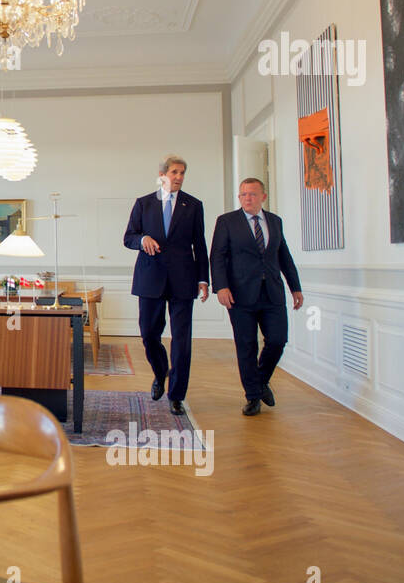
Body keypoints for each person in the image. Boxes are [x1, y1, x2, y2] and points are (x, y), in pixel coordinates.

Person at [123, 155, 209, 416]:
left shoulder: (193, 205)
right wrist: (143, 239)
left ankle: (176, 395)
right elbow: (128, 238)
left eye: (182, 173)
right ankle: (161, 374)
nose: (179, 177)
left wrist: (203, 279)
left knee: (182, 341)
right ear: (162, 175)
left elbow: (200, 245)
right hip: (150, 278)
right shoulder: (144, 204)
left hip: (184, 280)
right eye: (174, 172)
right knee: (149, 334)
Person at [209, 178, 303, 416]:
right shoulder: (227, 222)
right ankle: (252, 396)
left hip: (272, 292)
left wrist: (296, 287)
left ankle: (261, 380)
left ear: (263, 196)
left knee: (277, 340)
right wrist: (221, 287)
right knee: (246, 345)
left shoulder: (275, 221)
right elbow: (217, 256)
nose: (247, 198)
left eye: (252, 194)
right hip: (239, 295)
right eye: (242, 195)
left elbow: (285, 257)